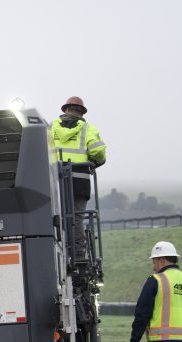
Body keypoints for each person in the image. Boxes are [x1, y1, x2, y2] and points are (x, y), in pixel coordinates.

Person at [52, 96, 107, 259]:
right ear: (82, 112)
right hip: (79, 182)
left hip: (54, 183)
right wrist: (94, 162)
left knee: (56, 217)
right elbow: (98, 152)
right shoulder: (87, 129)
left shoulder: (50, 128)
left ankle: (57, 255)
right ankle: (78, 256)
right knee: (76, 218)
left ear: (65, 109)